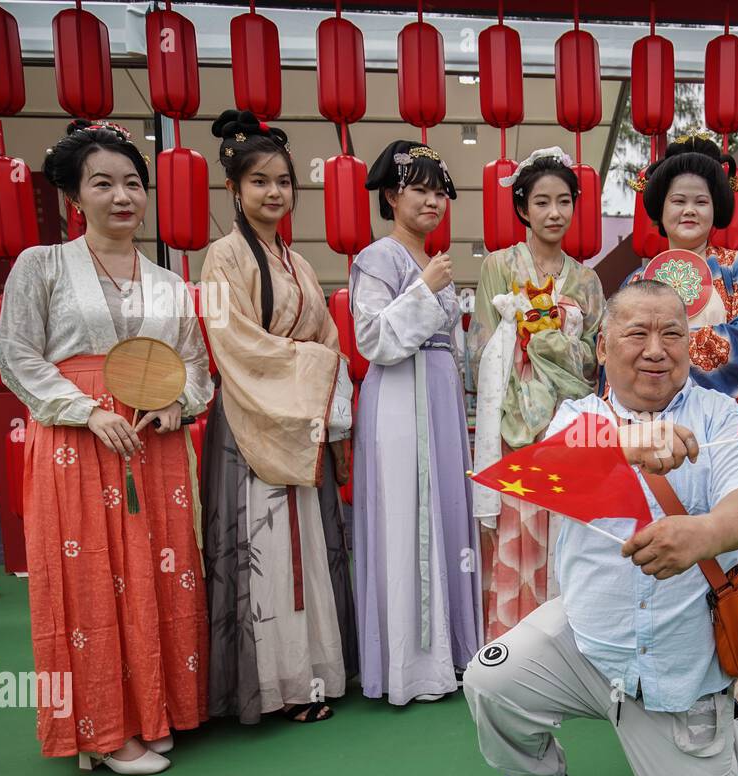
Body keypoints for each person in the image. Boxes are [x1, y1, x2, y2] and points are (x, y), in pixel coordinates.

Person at [455, 280, 738, 776]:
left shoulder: (721, 415)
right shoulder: (575, 417)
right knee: (487, 680)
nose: (656, 349)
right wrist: (634, 440)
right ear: (603, 348)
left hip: (677, 667)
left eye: (672, 334)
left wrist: (700, 535)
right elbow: (553, 463)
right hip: (585, 644)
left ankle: (728, 733)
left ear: (689, 345)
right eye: (637, 334)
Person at [0, 120, 212, 773]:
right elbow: (18, 356)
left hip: (156, 443)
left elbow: (197, 364)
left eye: (132, 183)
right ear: (74, 194)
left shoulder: (171, 282)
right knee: (89, 575)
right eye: (104, 183)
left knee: (164, 571)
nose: (123, 196)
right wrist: (86, 410)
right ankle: (107, 730)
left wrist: (180, 404)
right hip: (76, 439)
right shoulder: (41, 265)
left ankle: (162, 708)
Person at [199, 109, 357, 725]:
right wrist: (310, 365)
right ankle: (266, 685)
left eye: (283, 182)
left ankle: (311, 675)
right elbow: (229, 337)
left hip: (297, 420)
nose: (273, 193)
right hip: (249, 420)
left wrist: (318, 368)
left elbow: (327, 335)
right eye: (259, 181)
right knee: (261, 552)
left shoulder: (297, 261)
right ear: (234, 189)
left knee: (306, 550)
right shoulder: (221, 258)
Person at [351, 140, 483, 705]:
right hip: (400, 397)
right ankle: (408, 666)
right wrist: (424, 290)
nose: (432, 201)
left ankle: (452, 655)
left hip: (439, 393)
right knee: (407, 514)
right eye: (420, 189)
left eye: (439, 192)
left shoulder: (436, 265)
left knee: (445, 510)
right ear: (391, 195)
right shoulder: (377, 258)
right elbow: (372, 338)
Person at [469, 147, 604, 641]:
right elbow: (480, 348)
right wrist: (523, 344)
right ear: (522, 208)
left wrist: (552, 341)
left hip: (567, 421)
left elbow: (595, 357)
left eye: (564, 201)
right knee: (517, 530)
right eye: (542, 202)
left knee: (567, 534)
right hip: (512, 418)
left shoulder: (587, 281)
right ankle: (511, 645)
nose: (554, 213)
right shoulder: (499, 268)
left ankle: (569, 646)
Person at [626, 131, 738, 403]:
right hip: (653, 421)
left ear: (716, 209)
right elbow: (617, 348)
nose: (690, 210)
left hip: (727, 423)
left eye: (701, 202)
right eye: (679, 201)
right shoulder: (638, 281)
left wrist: (668, 349)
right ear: (660, 209)